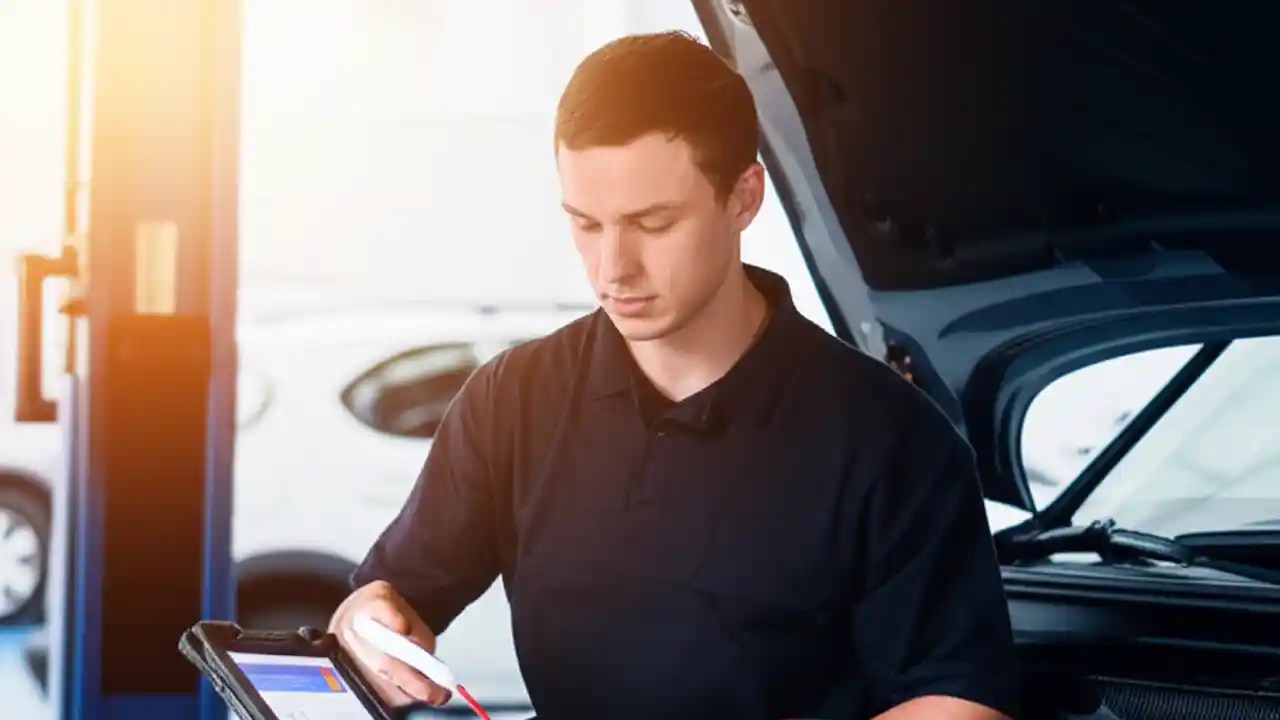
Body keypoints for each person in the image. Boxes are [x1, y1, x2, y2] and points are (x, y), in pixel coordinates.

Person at [330, 31, 1020, 719]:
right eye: (587, 225)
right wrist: (369, 627)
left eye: (652, 224)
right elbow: (379, 605)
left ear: (744, 197)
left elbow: (956, 702)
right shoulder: (513, 399)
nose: (612, 269)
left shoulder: (893, 442)